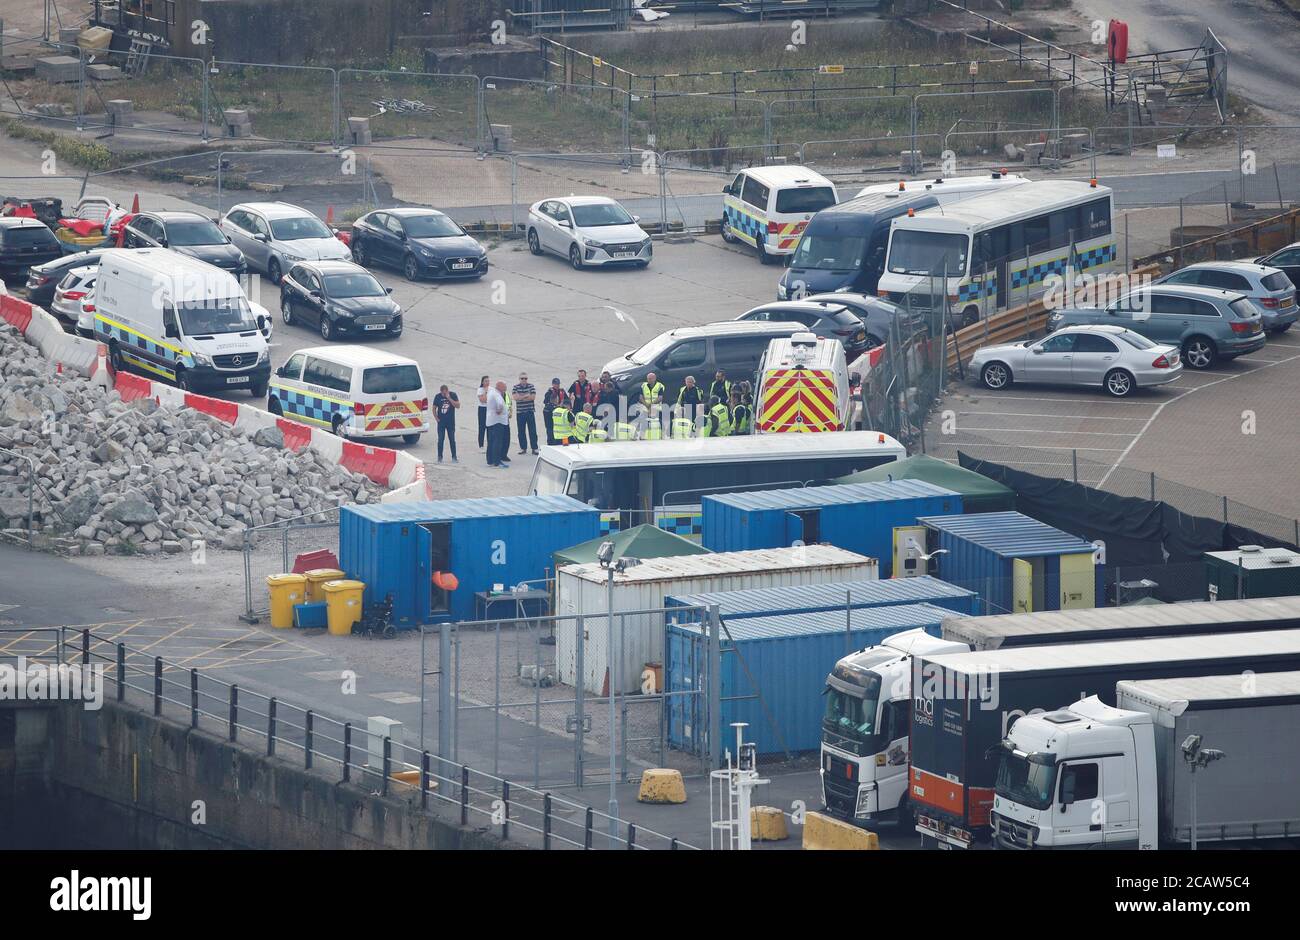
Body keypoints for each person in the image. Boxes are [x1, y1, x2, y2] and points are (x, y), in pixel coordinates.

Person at [512, 372, 539, 455]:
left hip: (530, 411)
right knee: (521, 431)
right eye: (522, 378)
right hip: (520, 412)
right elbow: (515, 398)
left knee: (533, 431)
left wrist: (521, 397)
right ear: (519, 379)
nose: (524, 380)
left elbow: (533, 397)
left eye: (525, 378)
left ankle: (534, 448)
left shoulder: (531, 386)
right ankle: (523, 448)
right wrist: (526, 396)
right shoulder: (515, 387)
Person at [433, 384, 460, 462]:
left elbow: (458, 406)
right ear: (441, 391)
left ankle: (454, 457)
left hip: (450, 422)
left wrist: (449, 398)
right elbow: (434, 408)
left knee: (452, 439)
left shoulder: (453, 395)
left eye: (445, 393)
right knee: (441, 439)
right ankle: (440, 457)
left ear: (448, 391)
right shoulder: (437, 396)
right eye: (443, 393)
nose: (444, 394)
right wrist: (436, 418)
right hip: (441, 422)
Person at [485, 381, 510, 468]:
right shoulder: (497, 394)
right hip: (497, 421)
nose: (506, 388)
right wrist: (499, 409)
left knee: (491, 441)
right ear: (500, 387)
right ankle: (497, 462)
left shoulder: (492, 392)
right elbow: (500, 403)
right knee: (497, 442)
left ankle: (490, 460)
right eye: (504, 386)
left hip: (491, 421)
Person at [543, 378, 565, 446]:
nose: (557, 385)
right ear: (552, 384)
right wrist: (557, 406)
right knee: (550, 432)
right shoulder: (549, 393)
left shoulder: (562, 391)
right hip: (551, 417)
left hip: (560, 416)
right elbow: (546, 402)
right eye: (555, 384)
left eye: (558, 384)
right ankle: (550, 445)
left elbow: (566, 401)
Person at [475, 375, 490, 449]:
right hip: (482, 409)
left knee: (489, 427)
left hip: (489, 408)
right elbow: (483, 400)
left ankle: (489, 444)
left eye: (488, 381)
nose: (487, 382)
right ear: (482, 382)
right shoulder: (480, 390)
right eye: (486, 381)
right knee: (482, 427)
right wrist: (486, 392)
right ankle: (481, 445)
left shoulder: (491, 389)